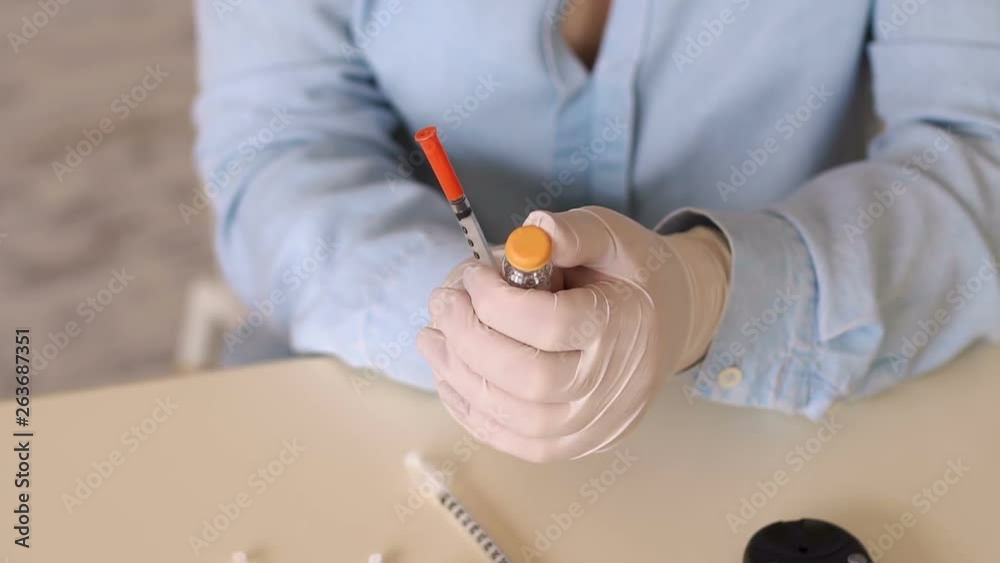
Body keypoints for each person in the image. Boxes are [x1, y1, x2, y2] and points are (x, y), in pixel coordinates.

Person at [194, 0, 1000, 462]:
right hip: (382, 418)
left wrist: (709, 288)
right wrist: (453, 315)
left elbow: (981, 153)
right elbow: (273, 153)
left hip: (801, 412)